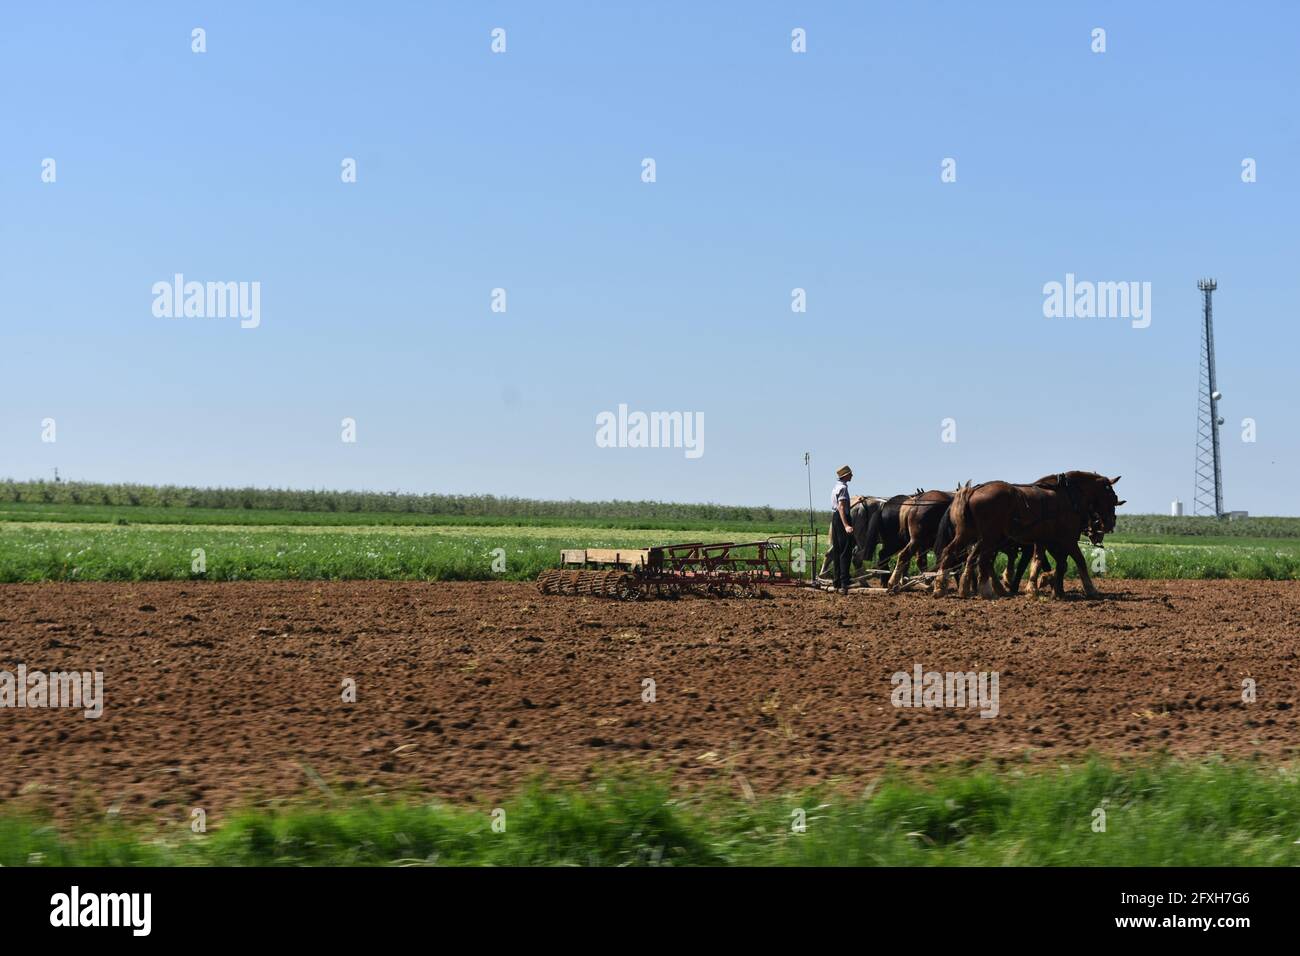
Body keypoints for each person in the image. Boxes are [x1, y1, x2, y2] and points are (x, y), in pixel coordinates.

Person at [830, 465, 855, 595]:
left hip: (835, 518)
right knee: (845, 551)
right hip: (842, 519)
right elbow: (841, 507)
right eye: (850, 474)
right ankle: (844, 583)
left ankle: (836, 581)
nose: (852, 475)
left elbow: (839, 506)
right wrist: (846, 525)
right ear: (845, 475)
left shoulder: (836, 487)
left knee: (837, 550)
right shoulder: (844, 488)